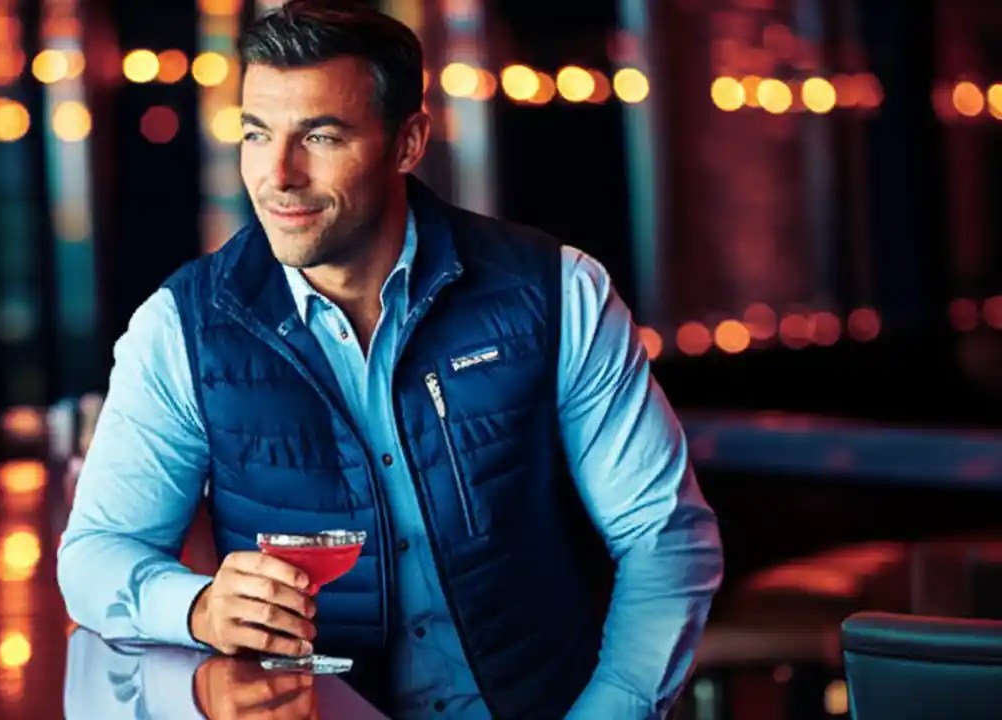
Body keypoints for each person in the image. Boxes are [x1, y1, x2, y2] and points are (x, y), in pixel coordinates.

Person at [57, 1, 724, 718]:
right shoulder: (182, 327)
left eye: (319, 135)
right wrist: (199, 608)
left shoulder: (557, 293)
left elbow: (663, 538)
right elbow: (96, 556)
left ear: (407, 143)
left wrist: (612, 710)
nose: (278, 175)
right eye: (256, 133)